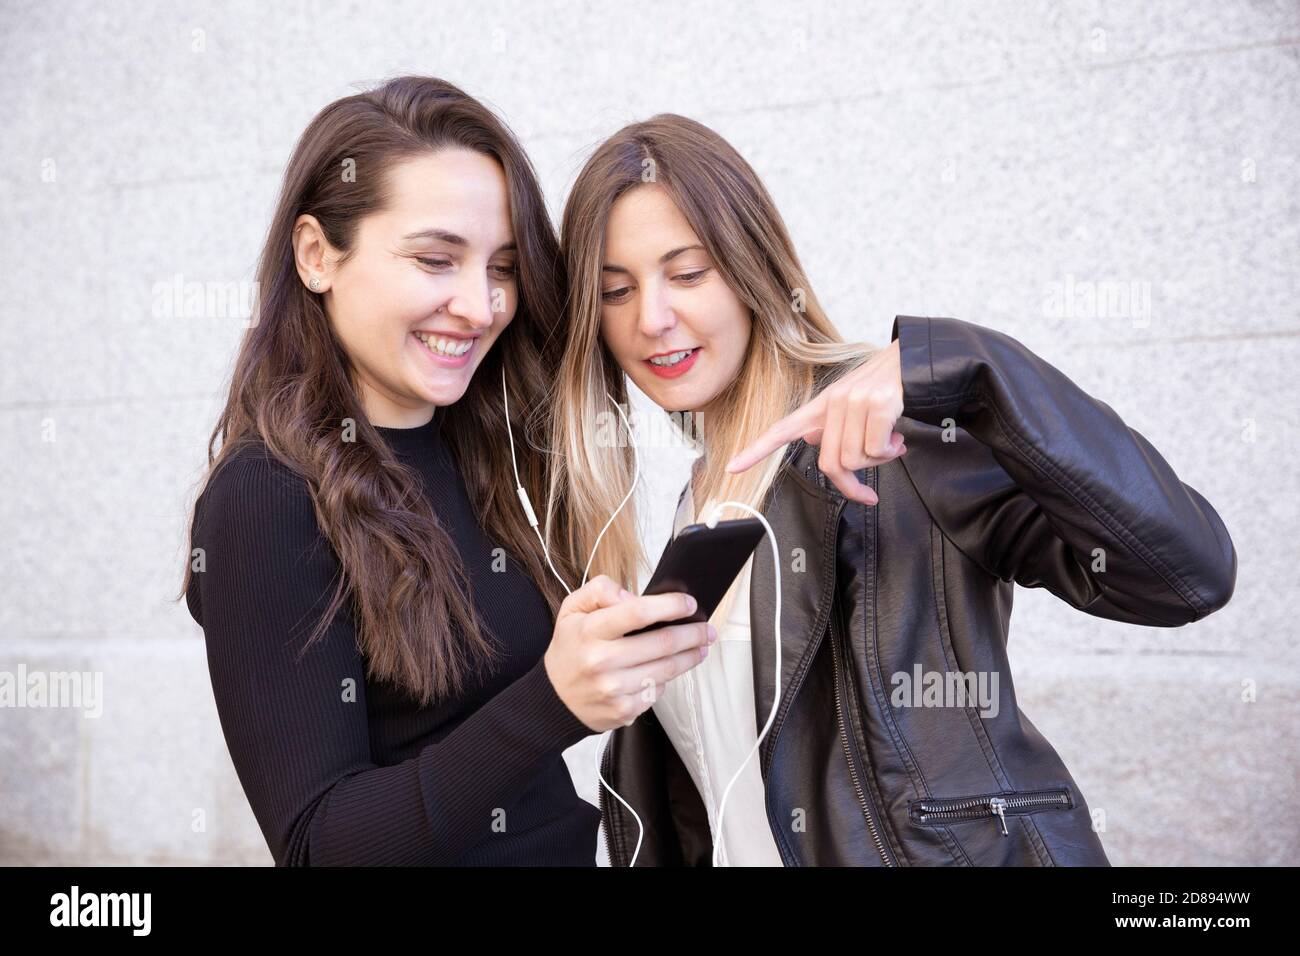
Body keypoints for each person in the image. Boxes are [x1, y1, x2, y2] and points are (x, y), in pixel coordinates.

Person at [549, 113, 1237, 865]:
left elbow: (1186, 576)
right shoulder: (696, 501)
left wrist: (974, 367)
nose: (653, 318)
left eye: (688, 274)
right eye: (615, 291)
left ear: (753, 267)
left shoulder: (894, 439)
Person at [180, 77, 711, 866]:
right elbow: (318, 844)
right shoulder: (266, 497)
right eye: (436, 260)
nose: (480, 304)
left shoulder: (474, 446)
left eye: (501, 267)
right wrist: (553, 701)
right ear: (317, 255)